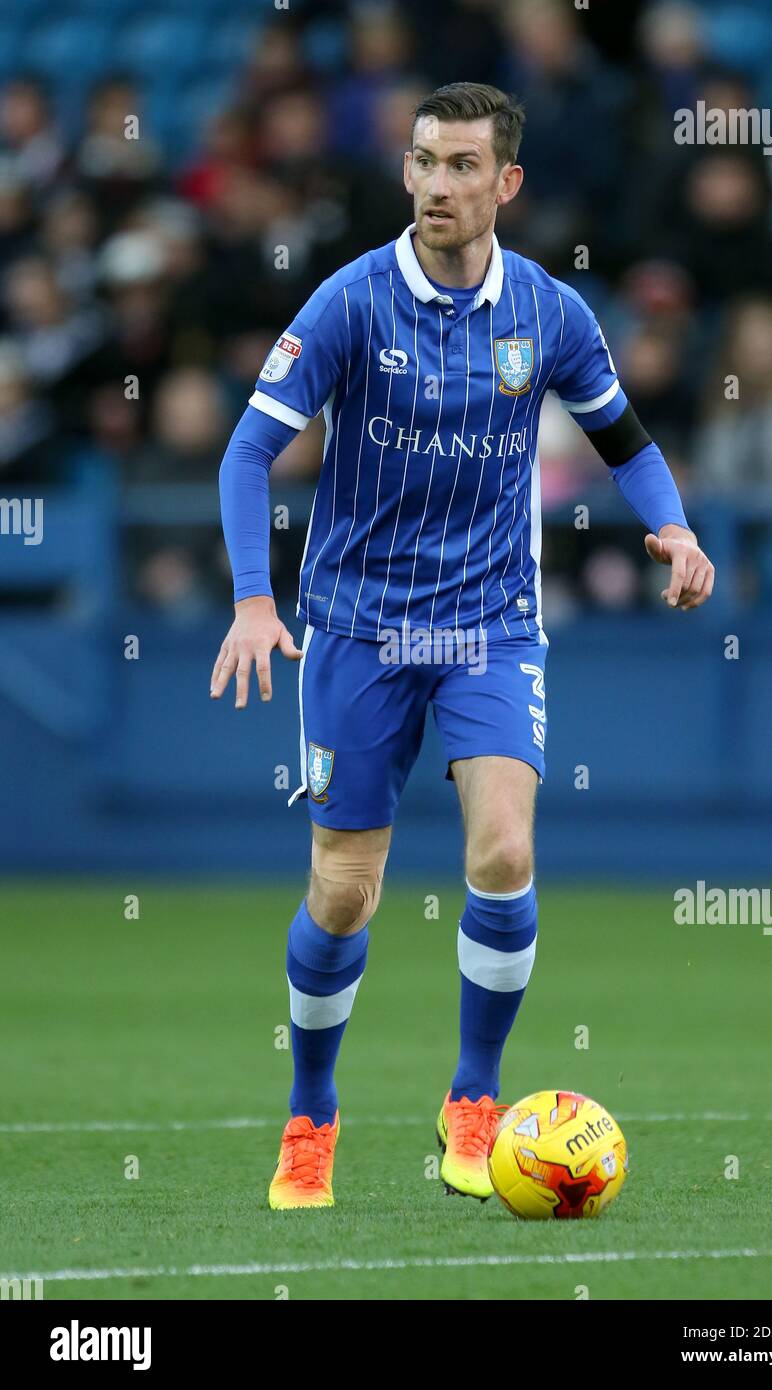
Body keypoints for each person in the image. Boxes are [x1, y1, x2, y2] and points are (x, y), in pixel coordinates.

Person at [213, 82, 714, 1211]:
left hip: (489, 623)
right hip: (355, 628)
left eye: (460, 166)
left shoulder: (547, 313)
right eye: (423, 162)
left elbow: (623, 437)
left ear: (506, 183)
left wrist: (671, 524)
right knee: (344, 894)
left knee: (499, 854)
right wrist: (255, 599)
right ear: (406, 172)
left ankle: (474, 1096)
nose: (437, 184)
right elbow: (246, 456)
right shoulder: (347, 304)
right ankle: (311, 1113)